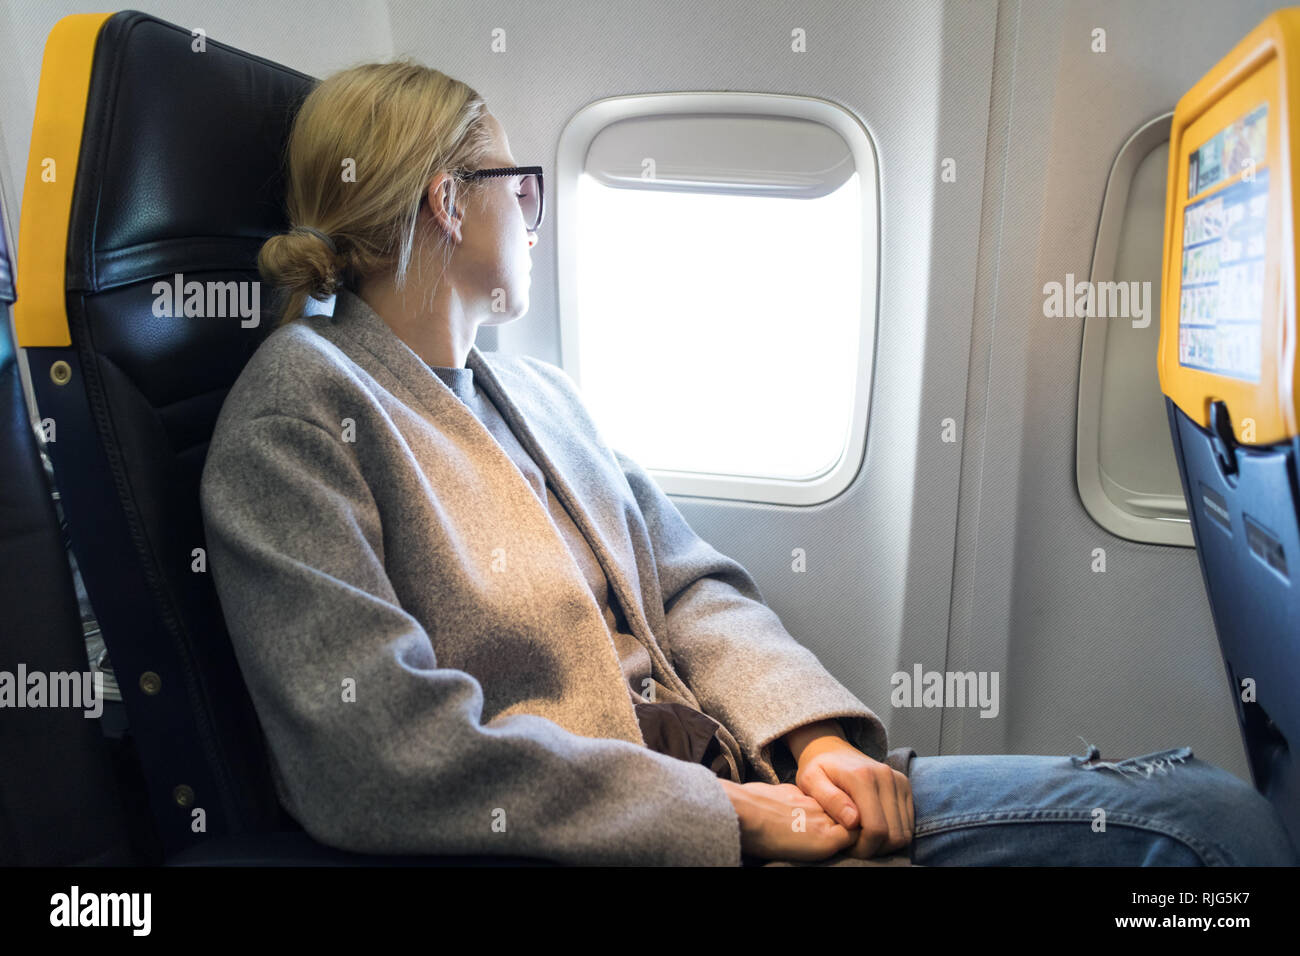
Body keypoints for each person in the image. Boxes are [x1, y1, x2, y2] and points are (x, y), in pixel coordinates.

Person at [199, 60, 1297, 867]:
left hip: (747, 778)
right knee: (1202, 839)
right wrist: (724, 821)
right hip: (624, 836)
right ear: (449, 198)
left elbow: (689, 587)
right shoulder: (302, 409)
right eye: (517, 185)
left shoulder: (532, 391)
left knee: (1193, 807)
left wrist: (810, 735)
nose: (531, 217)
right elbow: (376, 752)